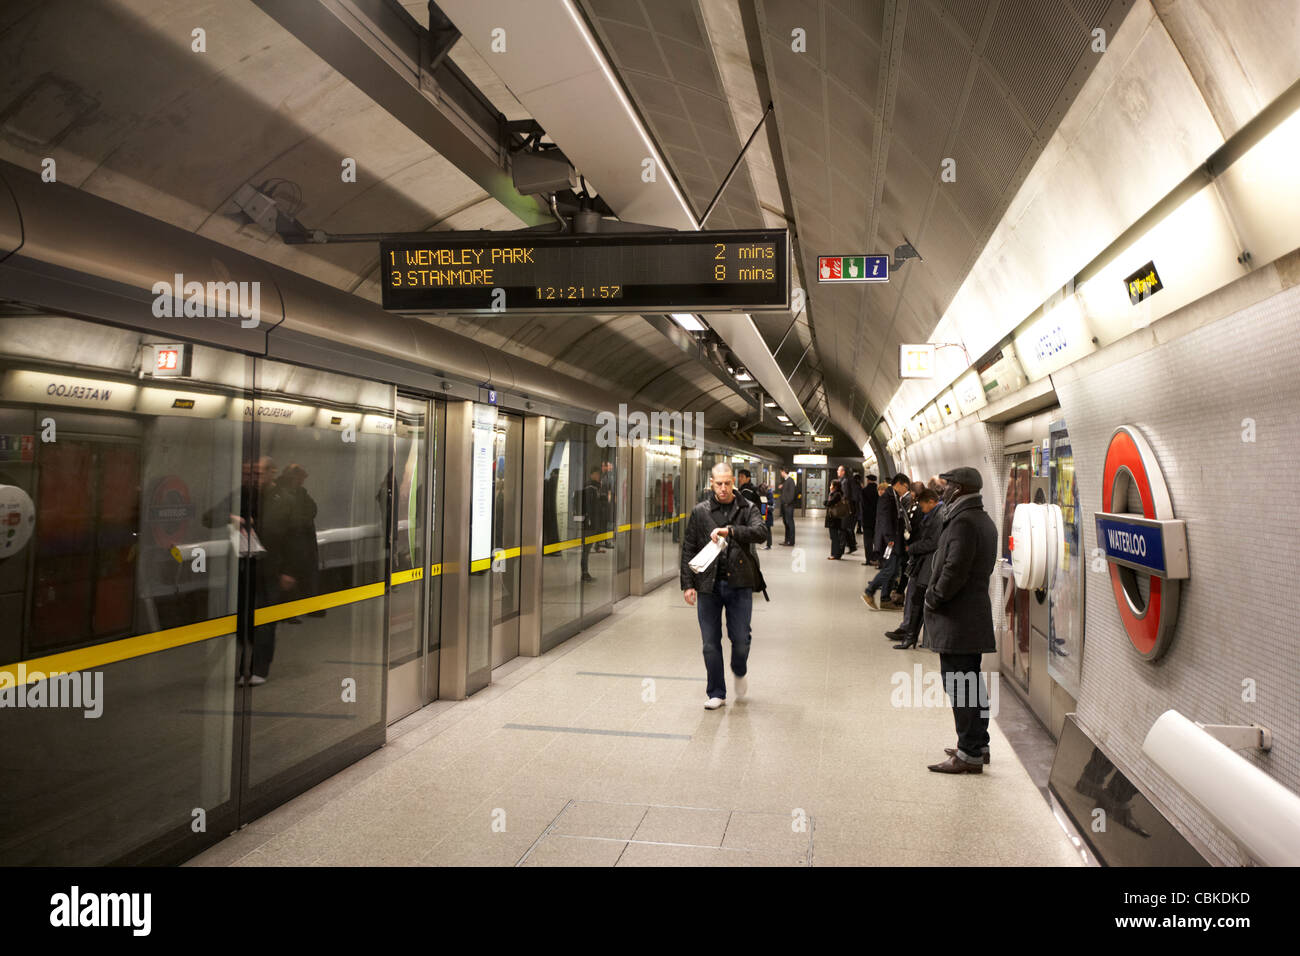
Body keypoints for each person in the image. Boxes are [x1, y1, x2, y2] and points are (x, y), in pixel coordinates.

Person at [924, 466, 999, 774]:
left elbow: (955, 569)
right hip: (972, 615)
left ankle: (968, 754)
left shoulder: (964, 522)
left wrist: (935, 596)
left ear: (962, 488)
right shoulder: (982, 519)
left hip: (958, 617)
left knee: (959, 684)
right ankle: (978, 745)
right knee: (971, 681)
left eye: (949, 484)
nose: (944, 490)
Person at [681, 462, 768, 709]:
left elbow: (761, 532)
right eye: (718, 483)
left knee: (740, 638)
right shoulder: (700, 512)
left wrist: (730, 531)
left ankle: (739, 670)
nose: (723, 488)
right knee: (710, 641)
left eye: (728, 483)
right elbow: (689, 547)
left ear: (734, 482)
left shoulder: (747, 507)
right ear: (711, 483)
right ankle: (716, 692)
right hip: (708, 585)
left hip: (739, 583)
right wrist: (688, 584)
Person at [886, 488, 940, 649]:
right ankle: (910, 634)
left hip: (928, 563)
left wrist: (914, 547)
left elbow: (933, 541)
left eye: (923, 506)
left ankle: (910, 635)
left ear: (931, 501)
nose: (922, 509)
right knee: (916, 597)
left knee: (917, 598)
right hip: (924, 562)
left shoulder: (938, 515)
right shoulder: (935, 514)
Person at [863, 473, 909, 610]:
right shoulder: (887, 498)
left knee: (894, 571)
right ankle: (869, 592)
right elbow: (884, 521)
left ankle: (885, 599)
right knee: (889, 569)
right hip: (889, 542)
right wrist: (890, 540)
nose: (906, 490)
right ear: (899, 484)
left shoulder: (894, 496)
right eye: (905, 487)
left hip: (893, 540)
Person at [836, 465, 859, 554]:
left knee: (843, 528)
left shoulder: (844, 482)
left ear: (843, 472)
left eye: (839, 470)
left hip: (845, 509)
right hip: (848, 508)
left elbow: (845, 495)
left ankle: (841, 549)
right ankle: (852, 546)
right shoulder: (846, 481)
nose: (837, 472)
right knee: (846, 528)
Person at [825, 477, 846, 559]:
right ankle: (835, 554)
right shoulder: (836, 493)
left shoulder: (836, 494)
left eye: (831, 485)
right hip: (835, 518)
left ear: (835, 486)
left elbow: (830, 503)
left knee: (834, 537)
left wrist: (826, 502)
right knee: (834, 536)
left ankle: (835, 554)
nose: (830, 486)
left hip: (834, 518)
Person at [861, 473, 878, 565]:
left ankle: (868, 559)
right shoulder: (878, 491)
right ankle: (876, 558)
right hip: (876, 519)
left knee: (867, 541)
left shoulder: (864, 491)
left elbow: (863, 506)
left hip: (867, 519)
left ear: (868, 480)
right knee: (877, 540)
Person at [778, 467, 797, 546]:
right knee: (786, 523)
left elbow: (791, 494)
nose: (780, 473)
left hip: (788, 506)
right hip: (785, 506)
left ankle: (791, 541)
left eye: (781, 472)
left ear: (783, 471)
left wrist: (787, 503)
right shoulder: (786, 481)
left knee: (790, 523)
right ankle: (787, 540)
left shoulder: (790, 481)